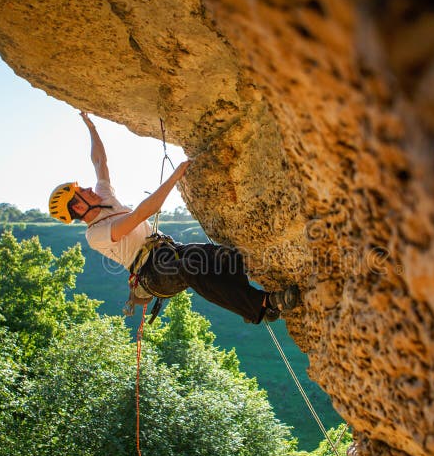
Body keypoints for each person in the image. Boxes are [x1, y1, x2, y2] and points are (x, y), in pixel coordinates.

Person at [49, 111, 299, 324]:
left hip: (168, 250)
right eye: (81, 192)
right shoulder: (96, 235)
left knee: (226, 256)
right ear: (78, 208)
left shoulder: (104, 200)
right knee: (190, 268)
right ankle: (265, 303)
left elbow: (99, 161)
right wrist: (174, 177)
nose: (88, 189)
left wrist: (91, 127)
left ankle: (251, 307)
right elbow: (142, 214)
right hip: (151, 272)